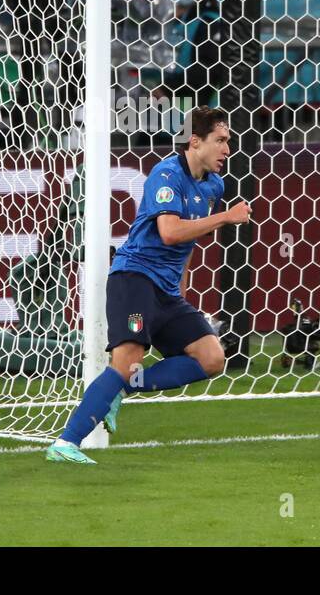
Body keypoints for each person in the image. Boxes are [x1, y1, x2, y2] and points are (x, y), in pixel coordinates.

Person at [46, 106, 250, 464]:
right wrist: (226, 218)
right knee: (127, 359)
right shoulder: (166, 174)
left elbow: (186, 245)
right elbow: (170, 233)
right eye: (220, 140)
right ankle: (65, 443)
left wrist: (179, 290)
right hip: (135, 279)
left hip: (167, 293)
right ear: (195, 141)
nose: (227, 149)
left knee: (212, 357)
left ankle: (120, 389)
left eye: (228, 141)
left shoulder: (214, 185)